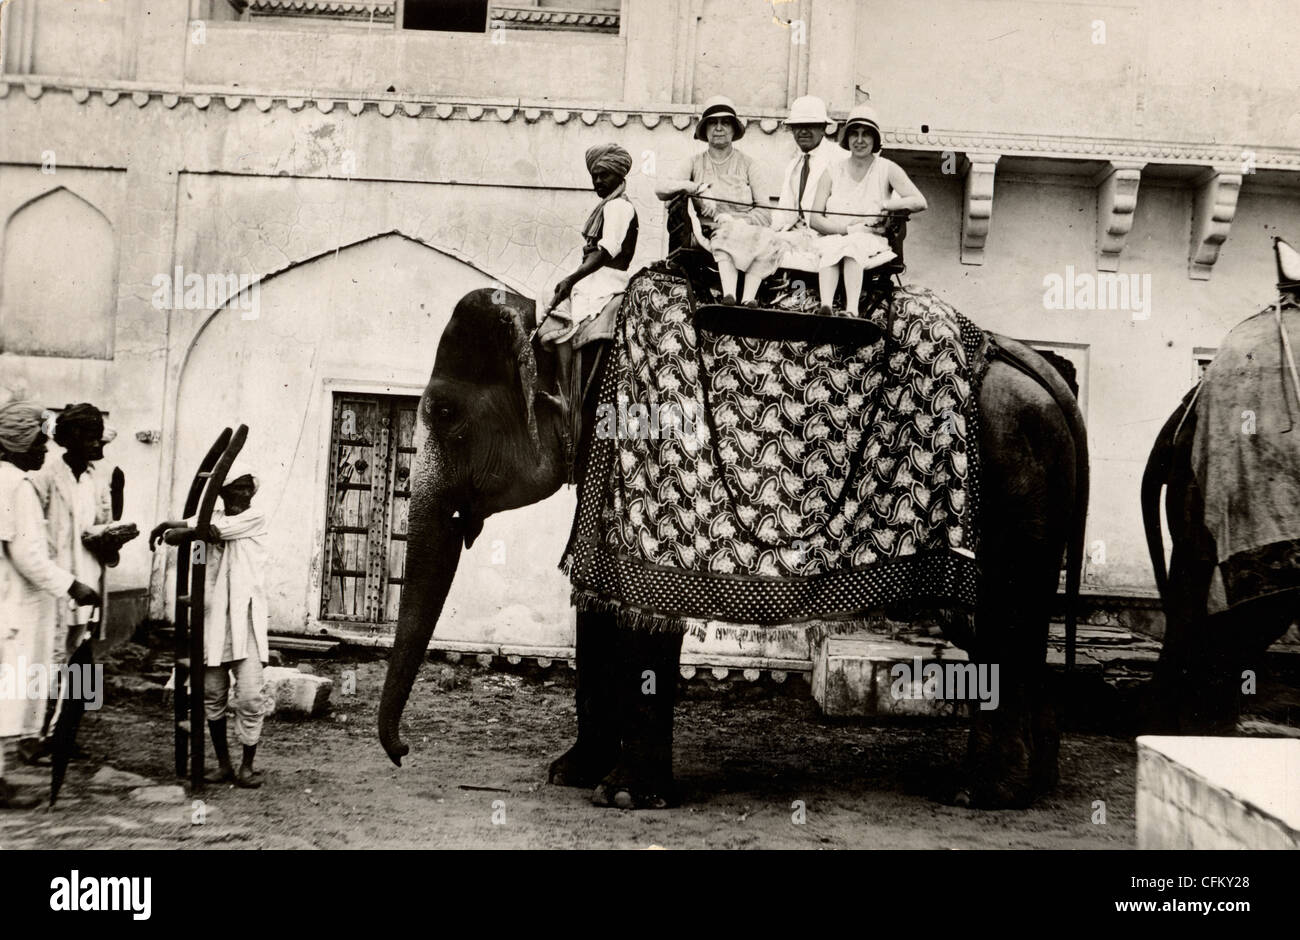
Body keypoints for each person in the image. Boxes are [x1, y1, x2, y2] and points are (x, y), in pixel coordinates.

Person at [0, 400, 99, 809]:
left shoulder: (97, 477)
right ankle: (29, 750)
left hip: (78, 580)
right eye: (40, 440)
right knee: (19, 686)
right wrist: (71, 586)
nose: (44, 448)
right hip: (39, 595)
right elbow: (26, 553)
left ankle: (59, 737)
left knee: (70, 670)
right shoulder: (24, 483)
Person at [27, 403, 137, 758]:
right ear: (71, 437)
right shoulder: (44, 475)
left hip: (89, 581)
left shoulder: (95, 478)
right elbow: (33, 533)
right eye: (90, 436)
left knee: (82, 658)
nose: (96, 444)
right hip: (56, 584)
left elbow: (103, 522)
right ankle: (35, 738)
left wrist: (112, 538)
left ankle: (65, 734)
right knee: (49, 658)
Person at [150, 462, 268, 788]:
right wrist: (163, 525)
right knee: (212, 694)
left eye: (248, 488)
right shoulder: (213, 514)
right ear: (223, 491)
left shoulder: (253, 518)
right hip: (214, 622)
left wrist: (178, 533)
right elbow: (189, 525)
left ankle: (247, 765)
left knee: (249, 696)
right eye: (237, 488)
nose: (244, 494)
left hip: (245, 619)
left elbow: (203, 532)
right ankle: (224, 764)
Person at [538, 143, 639, 412]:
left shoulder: (617, 207)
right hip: (598, 276)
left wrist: (571, 279)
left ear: (619, 175)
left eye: (603, 174)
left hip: (606, 279)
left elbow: (606, 251)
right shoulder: (608, 206)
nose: (597, 181)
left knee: (560, 311)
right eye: (594, 176)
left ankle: (566, 395)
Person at [654, 95, 779, 305]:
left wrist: (740, 222)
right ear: (704, 130)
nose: (719, 128)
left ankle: (749, 300)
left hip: (747, 230)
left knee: (768, 239)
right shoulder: (694, 163)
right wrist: (697, 187)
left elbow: (765, 212)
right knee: (725, 235)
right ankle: (729, 296)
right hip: (711, 233)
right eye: (713, 122)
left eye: (725, 122)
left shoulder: (749, 165)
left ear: (734, 129)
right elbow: (661, 188)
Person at [811, 104, 927, 315]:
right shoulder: (831, 171)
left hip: (868, 238)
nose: (860, 140)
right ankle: (825, 307)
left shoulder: (887, 168)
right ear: (847, 139)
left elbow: (919, 201)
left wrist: (886, 205)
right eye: (854, 134)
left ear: (875, 139)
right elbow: (815, 219)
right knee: (833, 249)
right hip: (835, 235)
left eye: (866, 134)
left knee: (852, 248)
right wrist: (845, 229)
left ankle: (852, 310)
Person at [770, 95, 845, 277]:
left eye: (810, 125)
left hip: (829, 238)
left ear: (823, 128)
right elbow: (785, 212)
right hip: (796, 236)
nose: (803, 131)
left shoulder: (841, 158)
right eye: (797, 126)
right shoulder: (793, 164)